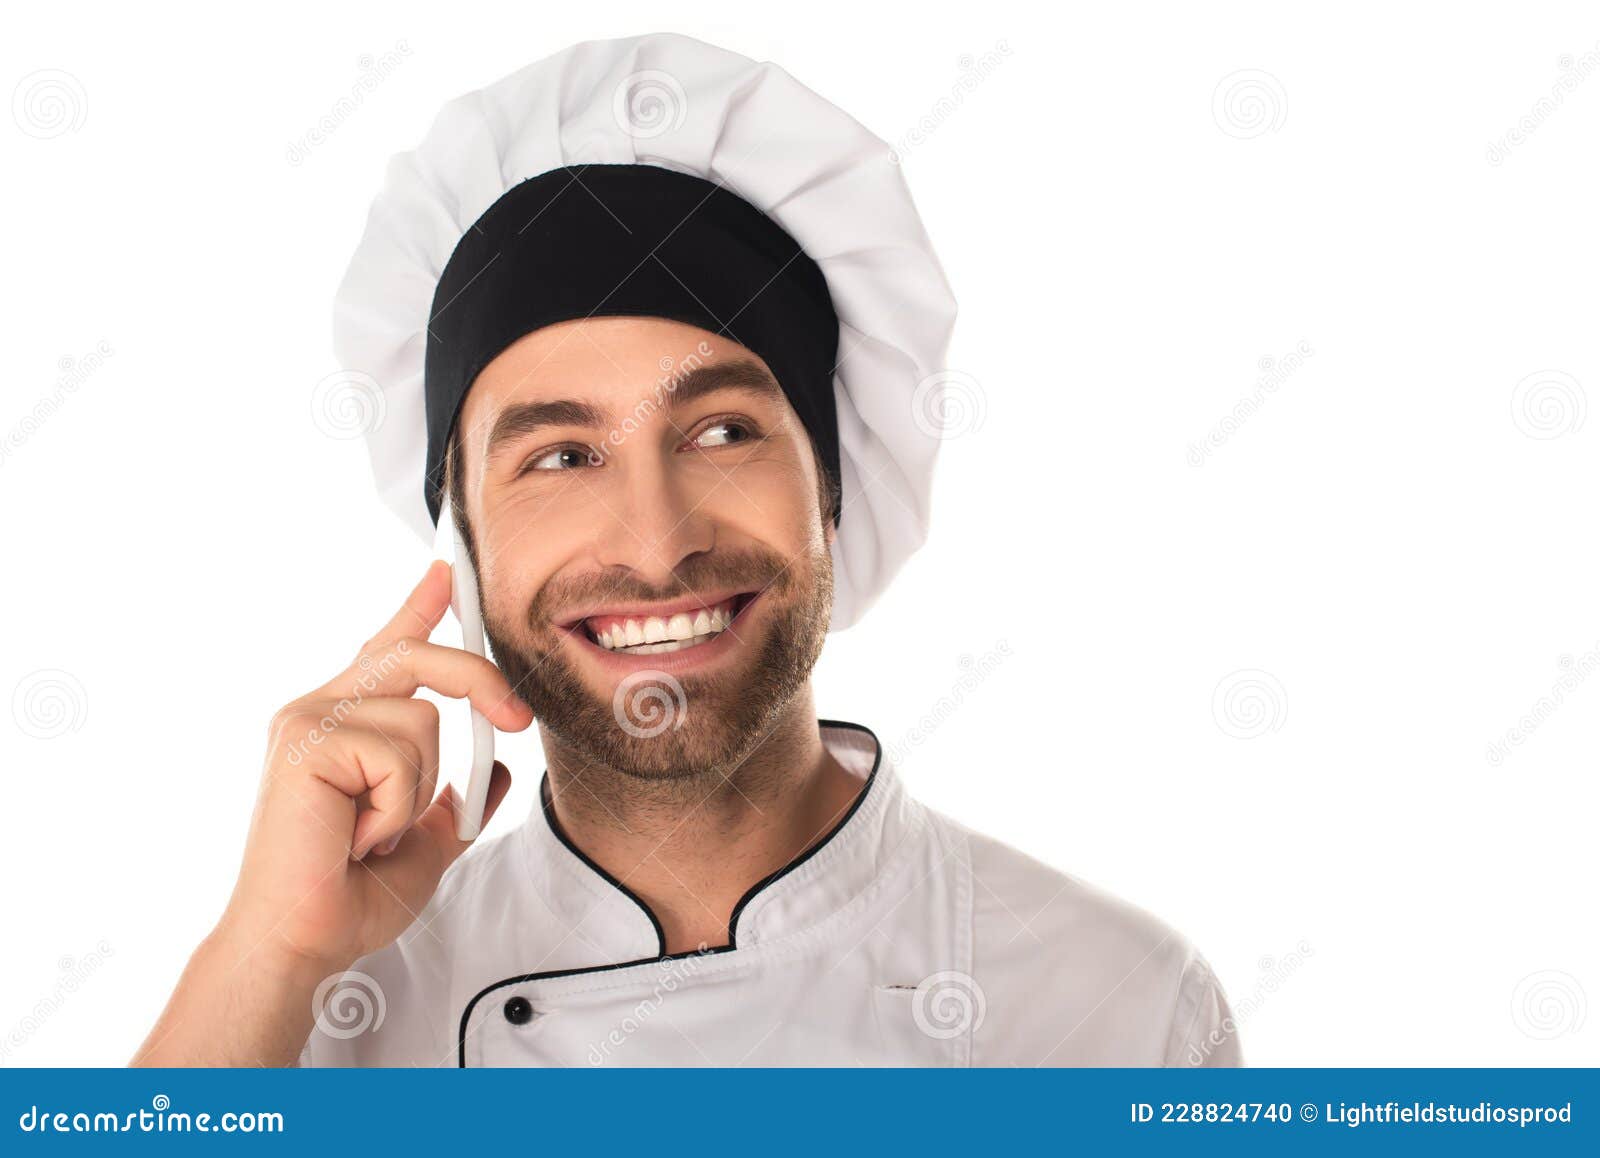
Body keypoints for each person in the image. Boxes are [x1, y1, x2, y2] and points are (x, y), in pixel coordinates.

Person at [134, 33, 1240, 1068]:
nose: (657, 546)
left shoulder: (1116, 1009)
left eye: (723, 432)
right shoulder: (317, 1019)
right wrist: (264, 955)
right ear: (463, 541)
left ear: (836, 489)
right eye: (560, 456)